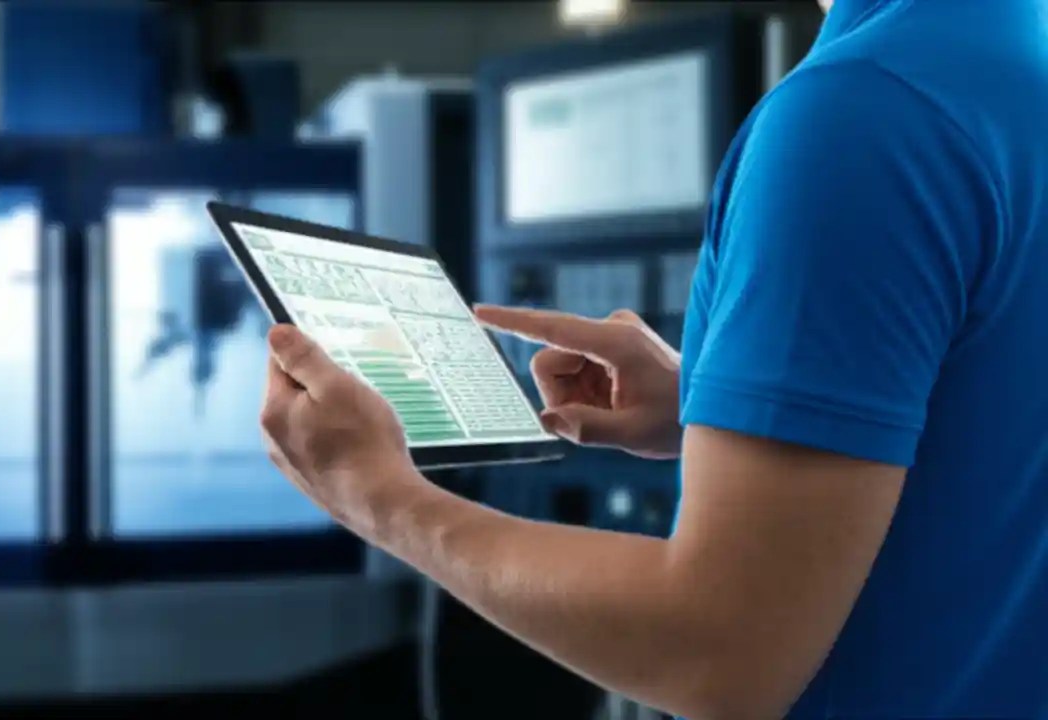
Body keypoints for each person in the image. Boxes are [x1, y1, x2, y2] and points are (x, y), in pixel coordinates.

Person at [258, 0, 1048, 717]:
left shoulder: (859, 117)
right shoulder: (1012, 58)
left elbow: (716, 650)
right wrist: (730, 398)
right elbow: (994, 419)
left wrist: (381, 497)